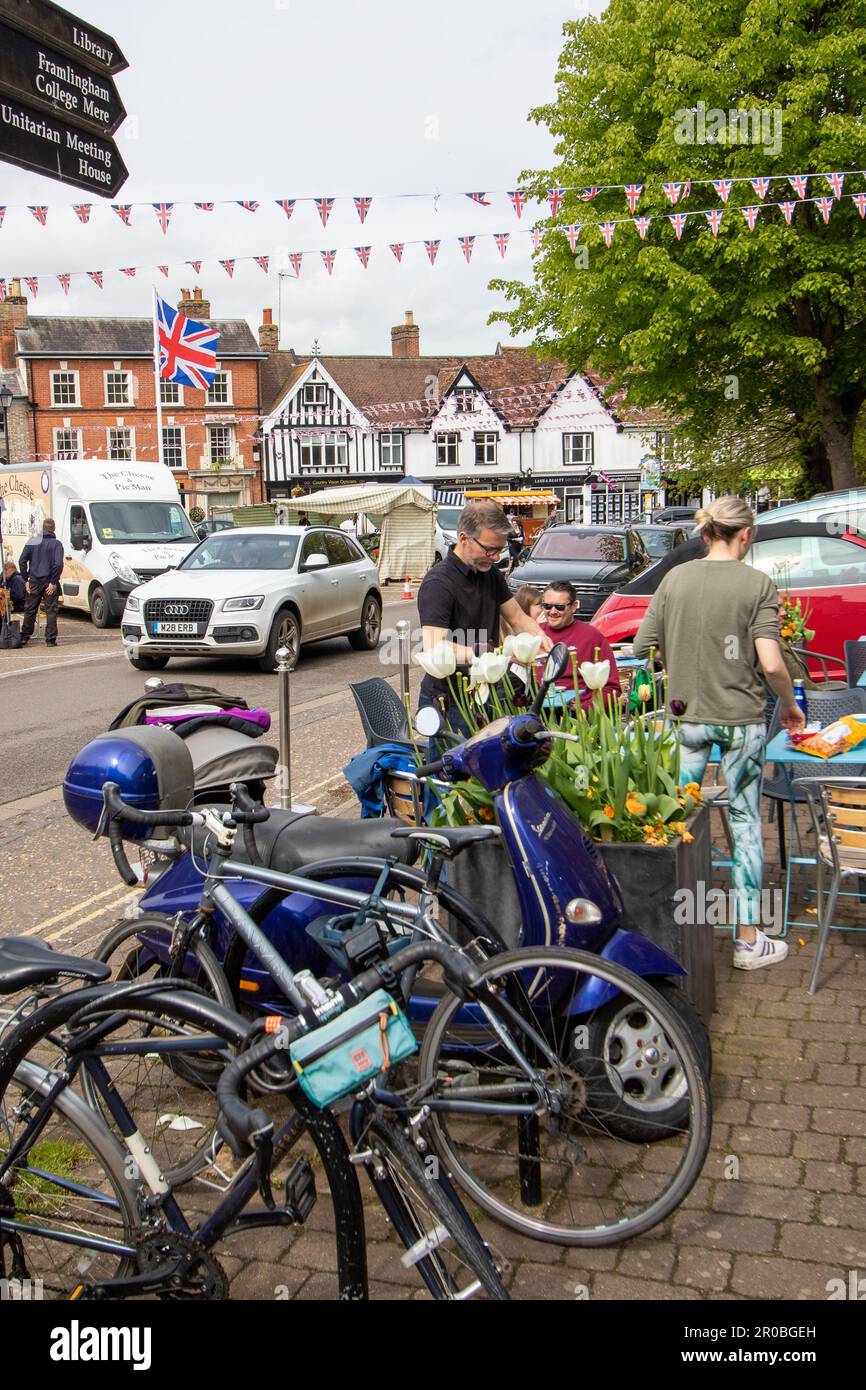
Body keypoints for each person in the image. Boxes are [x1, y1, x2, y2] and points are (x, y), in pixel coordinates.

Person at [634, 495, 806, 971]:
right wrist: (789, 706)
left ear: (706, 533)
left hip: (686, 719)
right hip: (741, 720)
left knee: (675, 819)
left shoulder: (673, 579)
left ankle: (670, 932)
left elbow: (642, 645)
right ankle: (748, 941)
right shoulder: (757, 584)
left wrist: (679, 659)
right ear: (745, 534)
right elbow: (771, 663)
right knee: (746, 825)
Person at [417, 500, 551, 729]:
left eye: (500, 549)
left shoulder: (490, 575)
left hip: (485, 689)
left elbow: (517, 618)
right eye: (490, 549)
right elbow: (434, 645)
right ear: (463, 538)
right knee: (455, 765)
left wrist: (543, 641)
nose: (496, 557)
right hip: (449, 700)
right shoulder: (438, 583)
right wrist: (485, 653)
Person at [537, 581, 621, 709]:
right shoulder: (535, 634)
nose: (552, 612)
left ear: (574, 606)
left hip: (577, 712)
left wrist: (584, 709)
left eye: (560, 607)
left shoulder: (592, 636)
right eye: (547, 606)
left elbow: (612, 688)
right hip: (537, 708)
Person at [18, 519, 64, 647]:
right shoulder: (56, 544)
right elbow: (58, 564)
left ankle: (25, 636)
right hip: (49, 582)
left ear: (42, 528)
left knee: (30, 610)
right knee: (51, 611)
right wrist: (53, 582)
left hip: (34, 580)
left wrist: (25, 579)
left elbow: (22, 561)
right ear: (54, 528)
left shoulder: (32, 542)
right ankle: (50, 639)